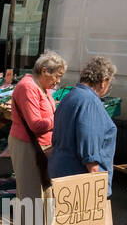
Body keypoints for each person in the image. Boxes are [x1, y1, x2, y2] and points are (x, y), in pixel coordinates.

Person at [48, 55, 118, 194]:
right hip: (78, 183)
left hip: (61, 174)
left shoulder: (71, 95)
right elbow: (89, 151)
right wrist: (96, 189)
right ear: (103, 82)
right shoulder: (89, 102)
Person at [8, 52, 66, 204]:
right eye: (57, 76)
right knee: (31, 195)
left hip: (42, 147)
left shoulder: (43, 87)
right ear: (44, 70)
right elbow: (36, 125)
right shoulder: (27, 87)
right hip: (28, 146)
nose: (58, 81)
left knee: (44, 193)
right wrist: (59, 117)